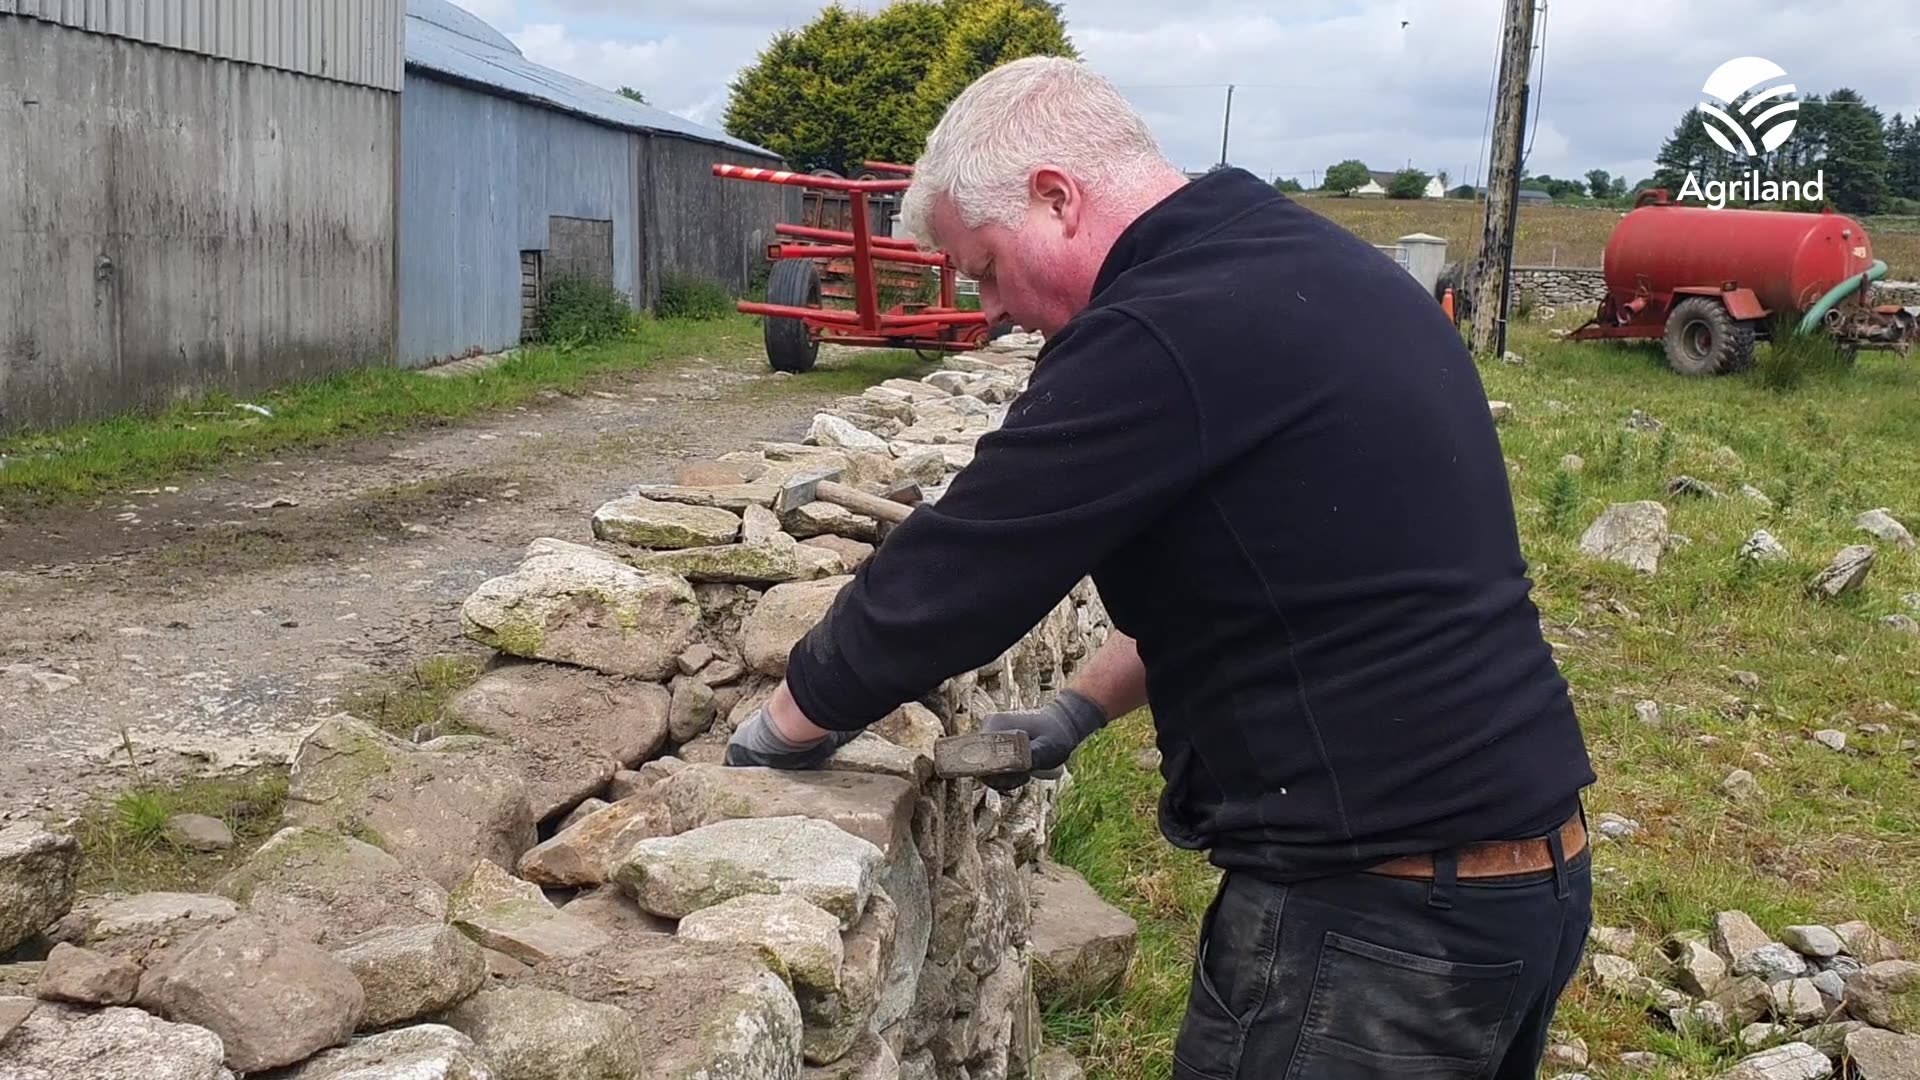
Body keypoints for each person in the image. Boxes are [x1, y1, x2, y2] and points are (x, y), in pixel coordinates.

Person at [725, 55, 1596, 1079]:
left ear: (1055, 197)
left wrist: (780, 728)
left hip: (1376, 925)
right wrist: (1076, 711)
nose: (994, 308)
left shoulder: (1162, 326)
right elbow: (1270, 576)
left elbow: (957, 574)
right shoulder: (1310, 268)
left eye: (989, 267)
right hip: (1520, 886)